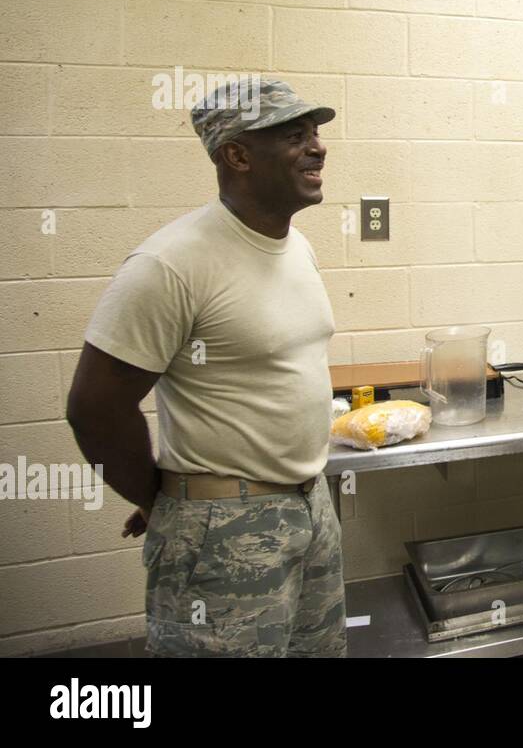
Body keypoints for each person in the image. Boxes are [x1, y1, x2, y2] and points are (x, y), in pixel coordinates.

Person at [66, 77, 346, 657]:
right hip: (225, 526)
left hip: (311, 505)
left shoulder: (296, 246)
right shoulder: (169, 264)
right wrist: (162, 499)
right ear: (237, 155)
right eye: (295, 136)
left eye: (316, 133)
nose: (318, 147)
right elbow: (95, 406)